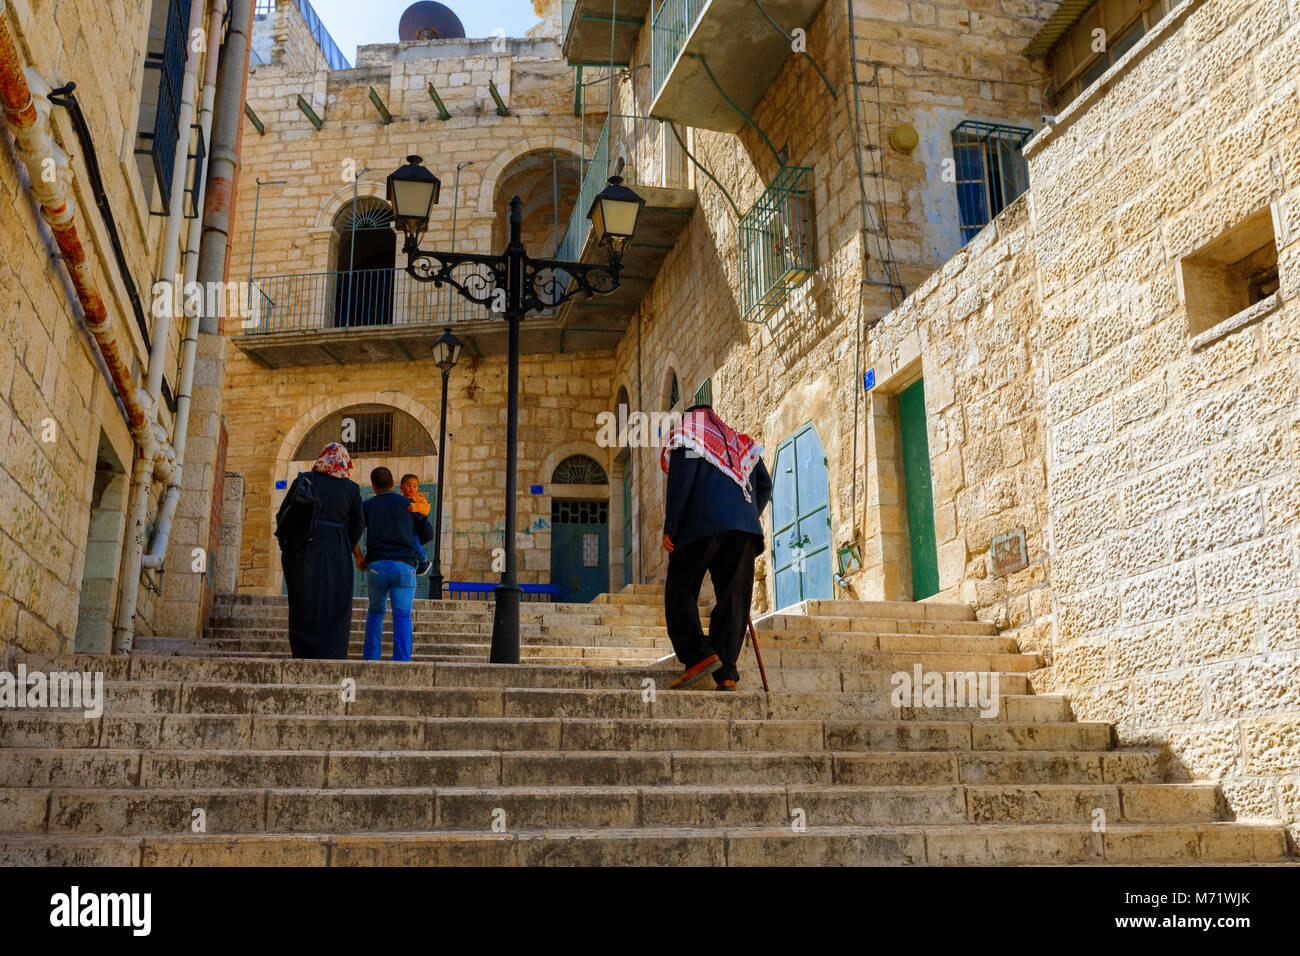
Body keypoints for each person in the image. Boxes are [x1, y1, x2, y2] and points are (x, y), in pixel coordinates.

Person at [660, 403, 772, 691]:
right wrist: (745, 516)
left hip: (700, 523)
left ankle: (698, 655)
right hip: (744, 530)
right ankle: (727, 673)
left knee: (680, 589)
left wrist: (671, 526)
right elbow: (765, 484)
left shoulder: (688, 434)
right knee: (734, 598)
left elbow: (681, 482)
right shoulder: (741, 443)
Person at [277, 442, 365, 660]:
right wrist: (344, 544)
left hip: (304, 546)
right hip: (336, 551)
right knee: (335, 601)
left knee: (304, 598)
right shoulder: (351, 489)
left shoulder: (305, 479)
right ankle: (332, 652)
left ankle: (303, 650)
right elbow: (358, 523)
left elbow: (283, 515)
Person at [361, 466, 434, 662]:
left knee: (375, 612)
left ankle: (371, 658)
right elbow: (428, 533)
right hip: (404, 565)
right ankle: (401, 661)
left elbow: (354, 530)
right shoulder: (409, 504)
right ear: (394, 484)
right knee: (402, 616)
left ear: (374, 486)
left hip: (376, 565)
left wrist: (359, 556)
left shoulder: (368, 505)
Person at [399, 473, 433, 576]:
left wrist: (415, 507)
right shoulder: (399, 499)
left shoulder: (418, 498)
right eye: (408, 485)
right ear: (401, 487)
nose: (412, 488)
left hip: (417, 528)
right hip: (406, 527)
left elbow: (426, 509)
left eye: (415, 486)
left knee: (414, 542)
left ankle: (424, 561)